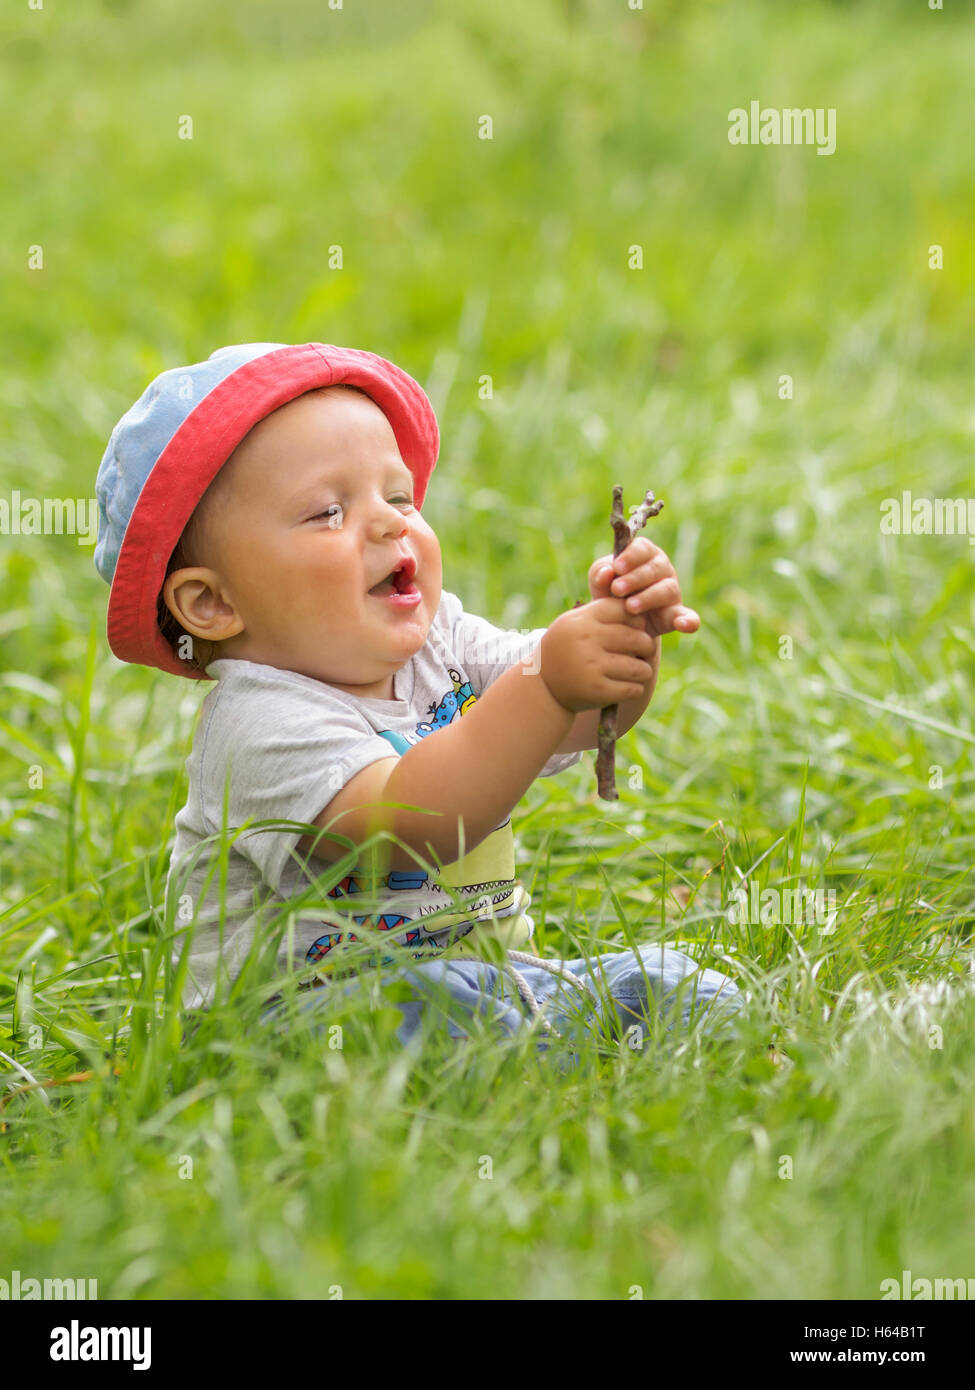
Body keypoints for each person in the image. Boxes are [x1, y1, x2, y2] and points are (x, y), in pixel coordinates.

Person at [93, 341, 743, 1062]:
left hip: (492, 978)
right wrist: (547, 680)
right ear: (212, 602)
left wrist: (618, 648)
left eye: (397, 496)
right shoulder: (258, 723)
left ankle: (554, 1037)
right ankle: (537, 1047)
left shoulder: (439, 638)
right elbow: (415, 823)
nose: (389, 522)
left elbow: (578, 722)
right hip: (307, 1018)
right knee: (438, 1009)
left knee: (669, 985)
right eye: (327, 512)